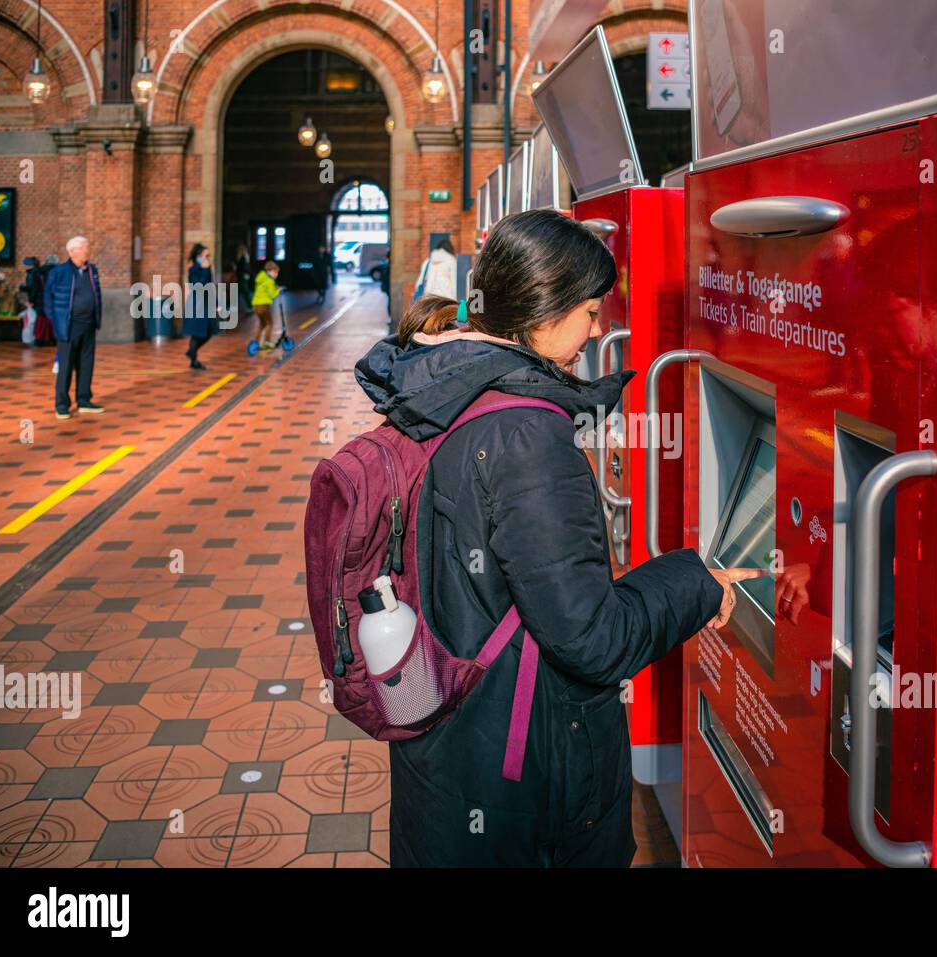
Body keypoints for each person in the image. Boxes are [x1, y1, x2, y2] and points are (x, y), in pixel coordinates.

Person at [354, 209, 761, 866]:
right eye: (592, 311)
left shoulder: (438, 388)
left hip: (448, 753)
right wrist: (695, 581)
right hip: (518, 775)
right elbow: (590, 637)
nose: (598, 330)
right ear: (546, 312)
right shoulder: (524, 437)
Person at [43, 236, 104, 418]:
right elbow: (48, 298)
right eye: (84, 248)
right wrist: (56, 321)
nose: (88, 251)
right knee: (66, 365)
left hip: (89, 324)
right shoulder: (59, 272)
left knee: (86, 364)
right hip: (68, 325)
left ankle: (84, 400)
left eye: (87, 247)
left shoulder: (92, 270)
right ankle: (61, 405)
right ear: (72, 251)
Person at [183, 243, 216, 369]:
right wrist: (205, 270)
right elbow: (199, 286)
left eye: (209, 255)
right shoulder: (194, 270)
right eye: (206, 255)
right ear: (199, 256)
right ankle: (193, 359)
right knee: (198, 333)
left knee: (209, 331)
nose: (208, 257)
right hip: (197, 304)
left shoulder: (206, 268)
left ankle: (192, 352)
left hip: (206, 303)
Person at [413, 237, 456, 301]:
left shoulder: (428, 262)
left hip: (429, 298)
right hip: (446, 298)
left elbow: (419, 283)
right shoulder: (452, 261)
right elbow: (454, 282)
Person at [251, 260, 282, 350]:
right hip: (263, 305)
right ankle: (267, 342)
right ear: (269, 271)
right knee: (270, 323)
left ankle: (255, 341)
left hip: (256, 305)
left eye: (277, 272)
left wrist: (274, 288)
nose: (276, 274)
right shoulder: (270, 281)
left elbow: (264, 290)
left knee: (262, 324)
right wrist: (278, 290)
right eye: (275, 272)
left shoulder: (261, 278)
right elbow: (271, 295)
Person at [234, 244, 253, 322]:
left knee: (244, 292)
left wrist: (236, 270)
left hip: (242, 277)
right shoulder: (245, 258)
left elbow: (241, 269)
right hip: (243, 276)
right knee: (239, 292)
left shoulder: (242, 259)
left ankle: (250, 306)